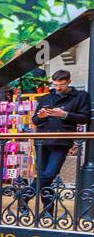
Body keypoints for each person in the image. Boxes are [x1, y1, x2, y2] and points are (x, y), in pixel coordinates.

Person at [32, 69, 90, 213]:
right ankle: (48, 211)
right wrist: (41, 116)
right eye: (55, 84)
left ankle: (24, 196)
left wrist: (65, 114)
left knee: (50, 174)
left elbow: (84, 118)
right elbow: (35, 120)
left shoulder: (81, 96)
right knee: (45, 177)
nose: (58, 88)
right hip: (42, 140)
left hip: (61, 141)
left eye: (62, 85)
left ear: (69, 82)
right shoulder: (46, 98)